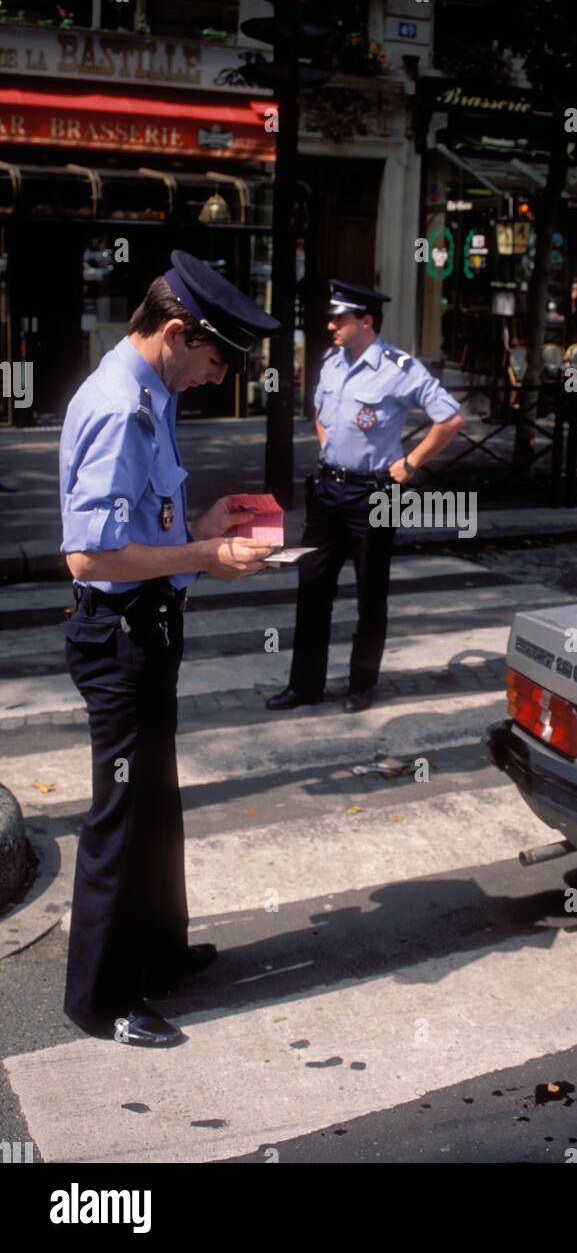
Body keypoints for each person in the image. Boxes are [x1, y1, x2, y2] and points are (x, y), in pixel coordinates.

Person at [59, 251, 279, 1047]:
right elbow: (88, 557)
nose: (217, 378)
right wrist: (202, 558)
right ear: (179, 333)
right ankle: (102, 998)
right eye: (217, 360)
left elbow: (132, 530)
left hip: (145, 623)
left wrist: (200, 528)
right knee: (122, 812)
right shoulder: (124, 405)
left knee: (155, 797)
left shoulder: (150, 390)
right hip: (119, 632)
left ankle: (154, 953)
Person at [265, 280, 464, 715]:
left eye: (340, 318)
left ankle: (361, 685)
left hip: (376, 493)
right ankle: (305, 686)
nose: (330, 324)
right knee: (312, 587)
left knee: (371, 594)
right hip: (327, 489)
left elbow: (449, 418)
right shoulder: (331, 361)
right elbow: (320, 412)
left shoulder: (400, 367)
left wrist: (410, 464)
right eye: (332, 317)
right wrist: (329, 447)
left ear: (365, 321)